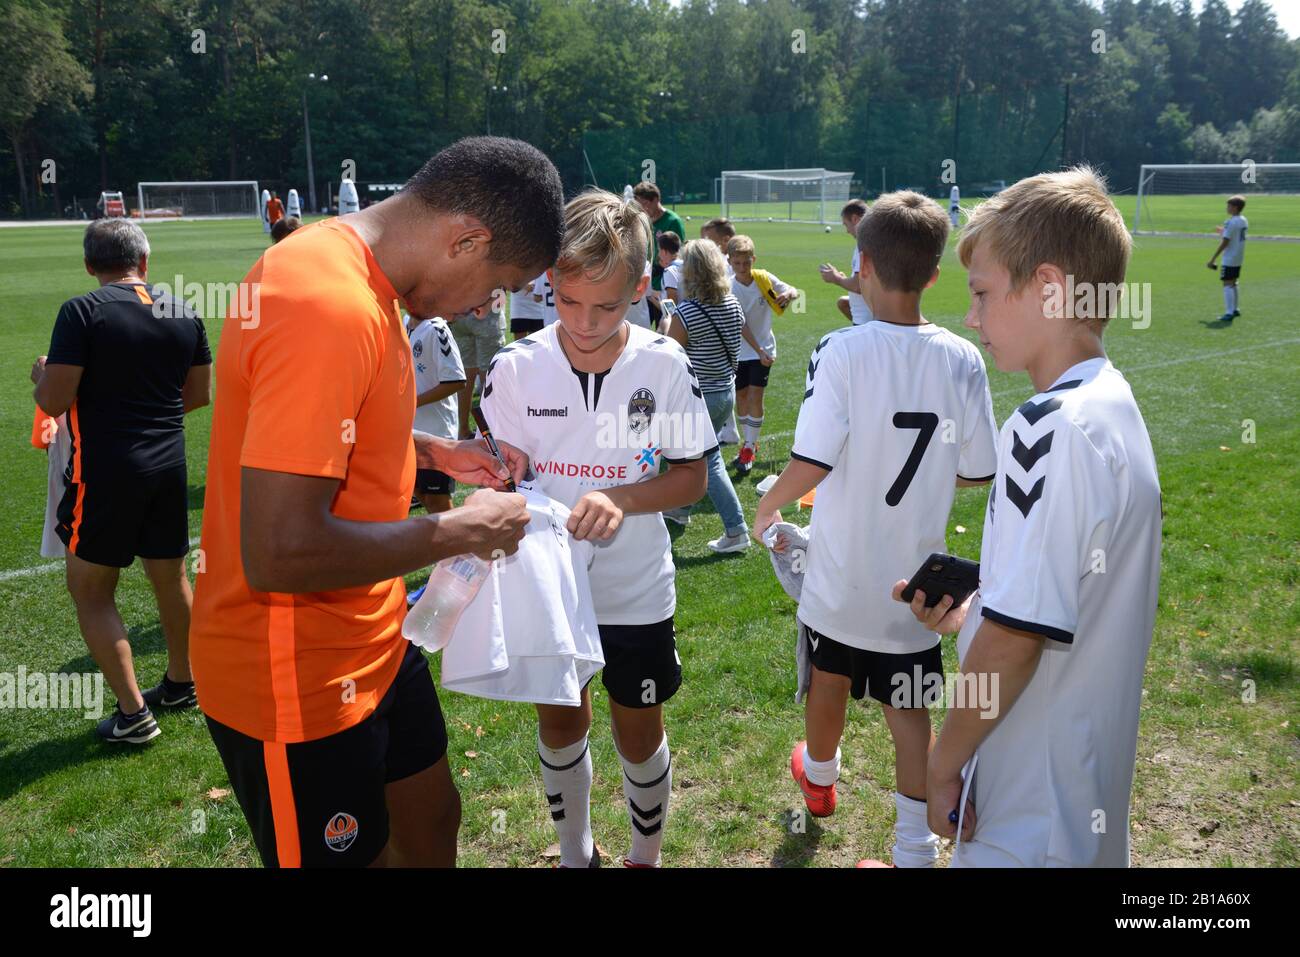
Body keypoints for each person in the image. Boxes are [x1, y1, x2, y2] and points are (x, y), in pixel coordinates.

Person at [190, 136, 561, 869]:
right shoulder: (326, 305)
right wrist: (455, 531)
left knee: (432, 820)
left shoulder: (367, 275)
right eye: (497, 283)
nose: (489, 304)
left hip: (376, 635)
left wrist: (433, 452)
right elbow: (279, 550)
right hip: (294, 675)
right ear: (466, 239)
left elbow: (331, 435)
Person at [897, 167, 1161, 867]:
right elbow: (1050, 602)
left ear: (1047, 286)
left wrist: (942, 763)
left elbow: (1016, 640)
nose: (971, 316)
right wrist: (973, 614)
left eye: (982, 293)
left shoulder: (1047, 425)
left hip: (1028, 819)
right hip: (1080, 806)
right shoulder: (1113, 405)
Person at [754, 191, 996, 868]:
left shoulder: (841, 349)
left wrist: (767, 504)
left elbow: (810, 459)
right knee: (909, 711)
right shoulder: (962, 358)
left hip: (839, 576)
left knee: (826, 680)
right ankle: (914, 850)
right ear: (935, 274)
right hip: (912, 588)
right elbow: (979, 470)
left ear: (861, 265)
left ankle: (822, 782)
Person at [481, 189, 714, 867]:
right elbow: (497, 474)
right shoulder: (514, 369)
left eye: (607, 305)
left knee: (638, 732)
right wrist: (500, 478)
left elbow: (691, 477)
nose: (585, 321)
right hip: (548, 587)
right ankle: (576, 852)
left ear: (642, 288)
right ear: (548, 283)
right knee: (561, 722)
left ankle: (646, 853)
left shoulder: (663, 364)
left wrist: (620, 497)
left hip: (634, 588)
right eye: (568, 300)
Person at [31, 218, 212, 744]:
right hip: (168, 463)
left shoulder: (82, 311)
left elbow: (54, 401)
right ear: (145, 261)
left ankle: (133, 715)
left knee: (89, 591)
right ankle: (183, 682)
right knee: (171, 578)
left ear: (90, 265)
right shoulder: (181, 308)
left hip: (106, 470)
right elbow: (198, 394)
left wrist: (41, 374)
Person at [664, 239, 757, 552]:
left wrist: (667, 323)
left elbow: (669, 355)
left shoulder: (687, 311)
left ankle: (736, 528)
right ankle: (680, 509)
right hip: (724, 392)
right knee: (698, 455)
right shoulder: (731, 303)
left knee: (708, 460)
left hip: (699, 396)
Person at [726, 233, 798, 477]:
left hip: (764, 350)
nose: (743, 267)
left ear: (753, 259)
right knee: (742, 398)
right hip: (739, 351)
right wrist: (757, 350)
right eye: (737, 263)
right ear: (729, 261)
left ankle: (748, 448)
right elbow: (741, 324)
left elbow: (792, 290)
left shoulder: (763, 278)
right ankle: (749, 441)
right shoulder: (729, 286)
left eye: (747, 262)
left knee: (756, 397)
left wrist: (788, 294)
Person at [407, 312, 466, 516]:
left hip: (436, 434)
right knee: (417, 493)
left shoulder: (437, 329)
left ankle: (457, 547)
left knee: (438, 504)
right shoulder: (403, 323)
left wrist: (411, 402)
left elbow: (455, 381)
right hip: (409, 432)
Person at [449, 303, 506, 438]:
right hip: (486, 311)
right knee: (490, 372)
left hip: (459, 311)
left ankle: (462, 429)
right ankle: (487, 433)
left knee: (466, 370)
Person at [632, 181, 685, 327]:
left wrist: (659, 268)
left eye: (644, 203)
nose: (642, 208)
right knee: (645, 329)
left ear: (655, 200)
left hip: (665, 285)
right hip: (647, 284)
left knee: (668, 323)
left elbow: (676, 252)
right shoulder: (643, 221)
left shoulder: (672, 221)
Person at [819, 199, 874, 325]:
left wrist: (836, 278)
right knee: (842, 302)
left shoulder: (865, 244)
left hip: (867, 323)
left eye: (846, 224)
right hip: (870, 321)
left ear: (855, 219)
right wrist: (843, 280)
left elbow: (858, 286)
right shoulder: (872, 241)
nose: (847, 230)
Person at [1207, 194, 1247, 322]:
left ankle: (1229, 312)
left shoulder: (1231, 222)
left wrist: (1213, 259)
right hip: (1239, 256)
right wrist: (1223, 231)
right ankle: (1235, 309)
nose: (1227, 208)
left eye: (1229, 205)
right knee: (1234, 282)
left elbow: (1225, 242)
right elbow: (1233, 233)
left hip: (1230, 257)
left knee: (1227, 284)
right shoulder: (1243, 220)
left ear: (1235, 207)